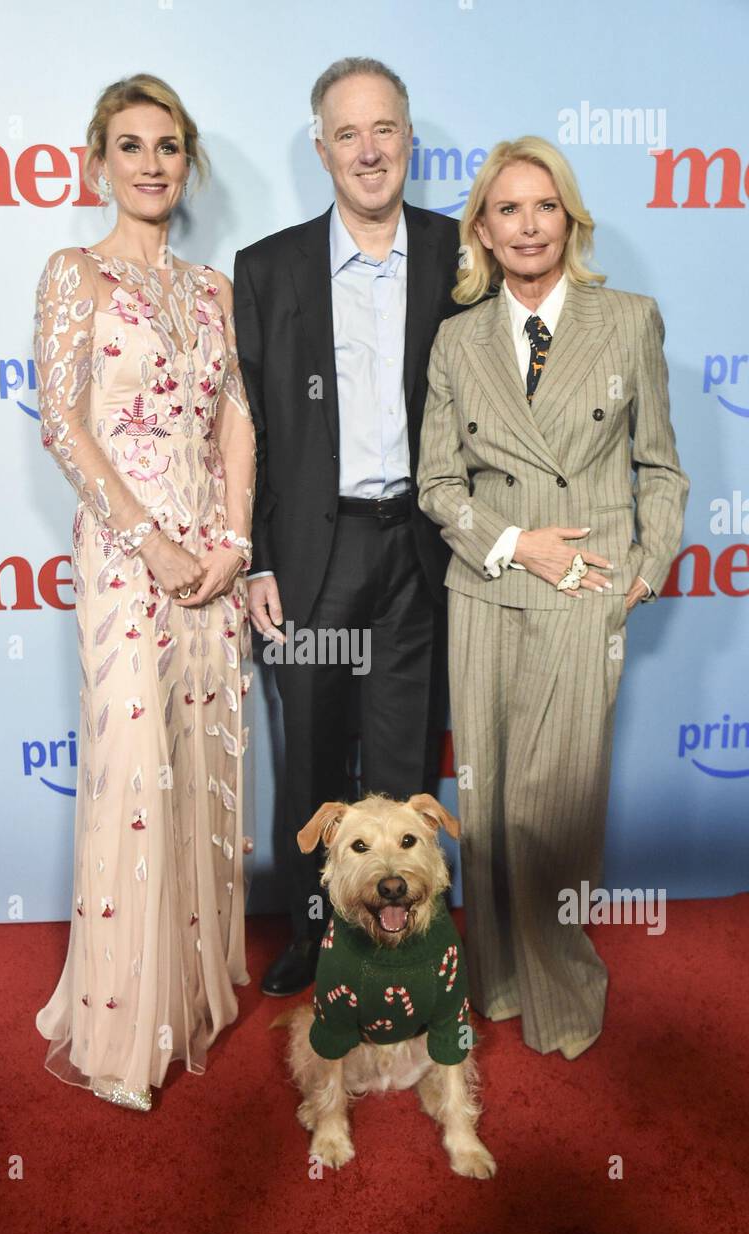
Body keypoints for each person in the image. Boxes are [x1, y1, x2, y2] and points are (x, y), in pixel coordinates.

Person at [417, 136, 689, 1059]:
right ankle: (495, 980)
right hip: (488, 585)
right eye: (508, 211)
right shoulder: (457, 339)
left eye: (545, 207)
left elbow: (660, 465)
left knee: (555, 805)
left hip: (586, 587)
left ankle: (563, 994)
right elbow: (436, 483)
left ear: (568, 220)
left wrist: (643, 573)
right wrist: (509, 543)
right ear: (483, 233)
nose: (527, 226)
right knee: (488, 799)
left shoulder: (629, 320)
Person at [33, 75, 256, 1109]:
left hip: (210, 557)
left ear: (188, 160)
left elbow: (237, 420)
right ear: (100, 161)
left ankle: (189, 993)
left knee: (200, 760)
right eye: (131, 145)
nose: (152, 162)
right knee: (134, 771)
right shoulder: (73, 273)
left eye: (168, 145)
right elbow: (62, 422)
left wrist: (232, 543)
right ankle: (123, 1031)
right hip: (127, 559)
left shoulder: (212, 288)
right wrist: (149, 541)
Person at [234, 57, 462, 996]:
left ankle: (402, 945)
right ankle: (313, 936)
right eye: (348, 133)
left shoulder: (460, 254)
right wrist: (252, 558)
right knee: (316, 761)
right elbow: (241, 424)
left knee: (406, 765)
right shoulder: (268, 266)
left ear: (408, 138)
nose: (369, 151)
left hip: (418, 547)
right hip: (311, 557)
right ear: (322, 147)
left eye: (385, 130)